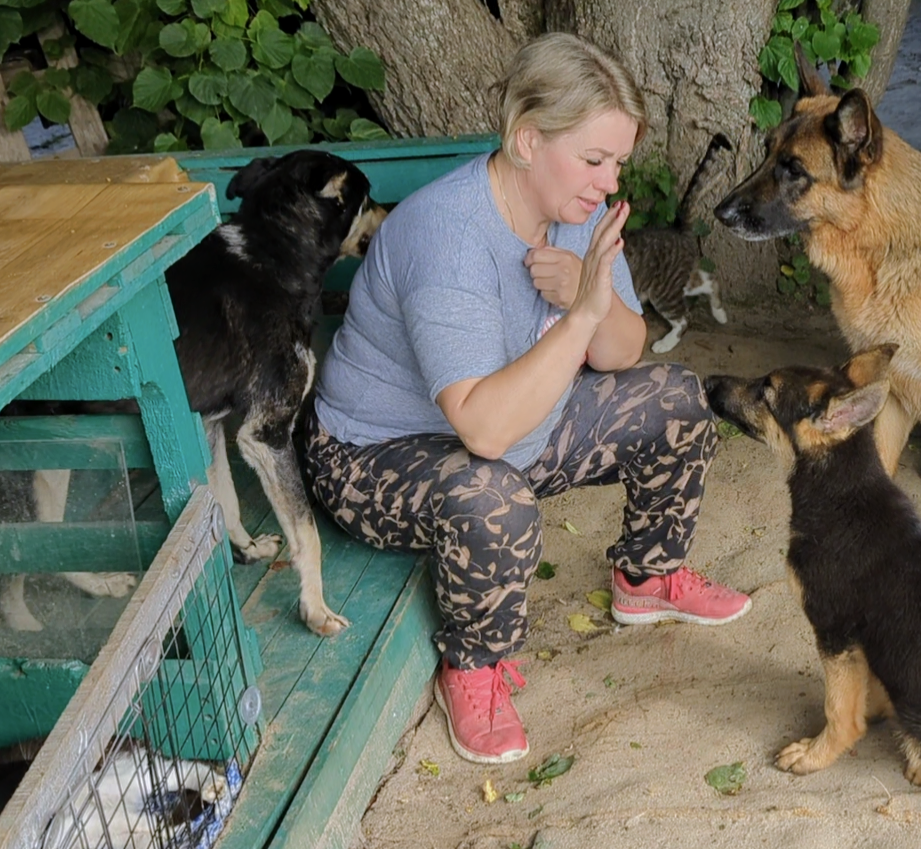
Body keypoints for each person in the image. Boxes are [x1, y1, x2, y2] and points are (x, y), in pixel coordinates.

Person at [301, 33, 752, 765]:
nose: (608, 184)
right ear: (525, 140)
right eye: (593, 159)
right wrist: (576, 317)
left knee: (675, 397)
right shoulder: (446, 237)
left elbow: (622, 352)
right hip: (371, 457)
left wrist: (589, 296)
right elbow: (482, 429)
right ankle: (472, 666)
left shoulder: (575, 211)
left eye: (617, 164)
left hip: (509, 429)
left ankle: (646, 575)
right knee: (493, 497)